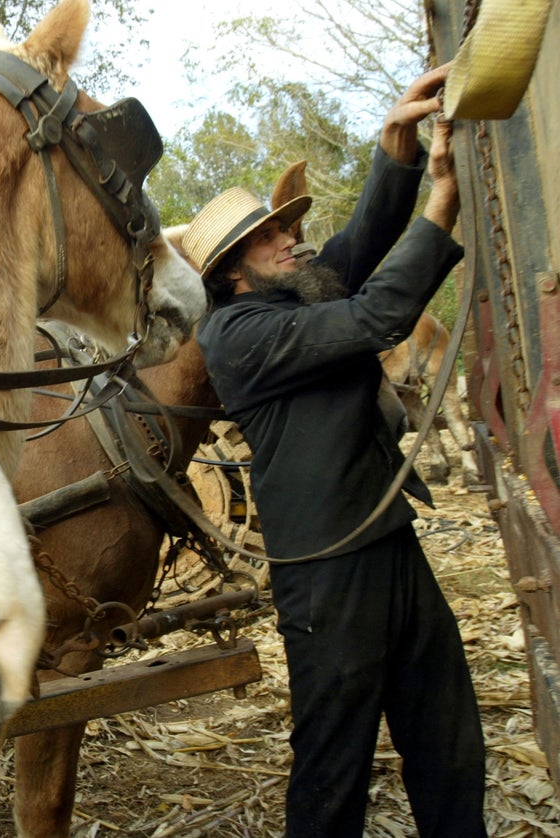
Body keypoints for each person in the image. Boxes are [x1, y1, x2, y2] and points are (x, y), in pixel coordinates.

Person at [183, 63, 486, 838]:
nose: (293, 238)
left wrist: (398, 147)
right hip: (326, 576)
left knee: (449, 745)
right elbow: (378, 315)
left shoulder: (293, 293)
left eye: (286, 228)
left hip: (389, 549)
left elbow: (360, 242)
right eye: (272, 237)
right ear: (232, 273)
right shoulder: (239, 335)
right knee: (333, 769)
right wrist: (443, 205)